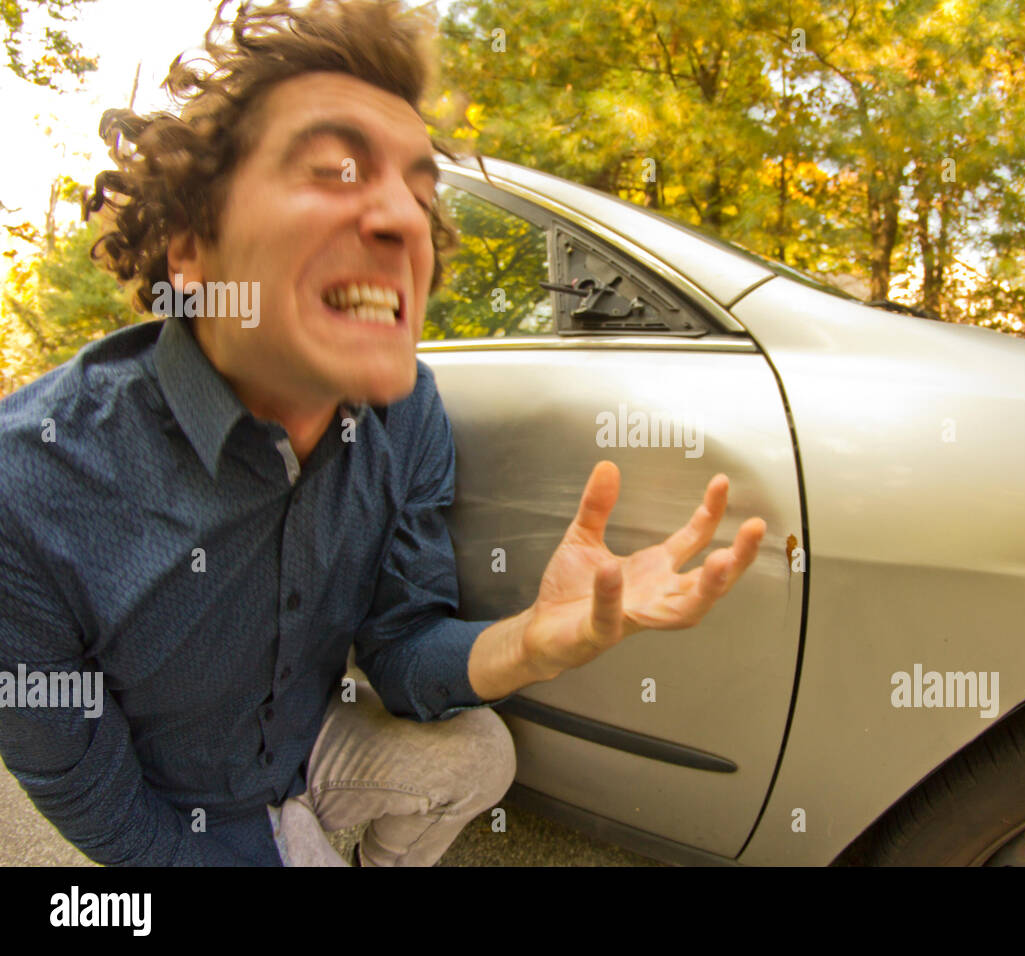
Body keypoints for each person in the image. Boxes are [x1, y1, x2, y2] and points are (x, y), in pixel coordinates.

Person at [0, 0, 765, 866]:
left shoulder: (409, 417)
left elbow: (402, 653)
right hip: (181, 820)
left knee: (479, 753)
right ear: (190, 252)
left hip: (307, 753)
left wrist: (536, 641)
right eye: (332, 169)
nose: (404, 220)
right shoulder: (26, 488)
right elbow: (104, 814)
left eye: (421, 191)